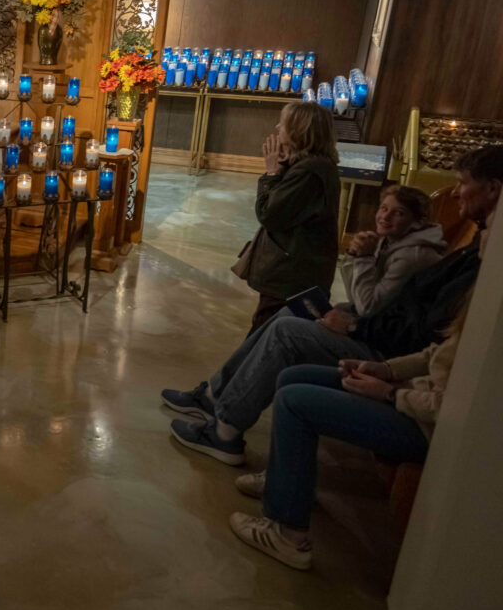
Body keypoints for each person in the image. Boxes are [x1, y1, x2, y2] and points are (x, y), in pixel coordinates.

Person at [162, 145, 503, 465]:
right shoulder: (468, 247)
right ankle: (215, 394)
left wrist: (357, 298)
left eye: (462, 183)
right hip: (384, 338)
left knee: (286, 332)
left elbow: (388, 313)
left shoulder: (426, 255)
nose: (456, 192)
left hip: (385, 349)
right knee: (291, 311)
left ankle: (224, 432)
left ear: (493, 190)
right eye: (383, 210)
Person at [228, 291, 471, 570]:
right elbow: (433, 355)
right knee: (293, 377)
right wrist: (384, 369)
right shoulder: (482, 287)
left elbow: (453, 408)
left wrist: (390, 393)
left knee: (294, 403)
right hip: (409, 397)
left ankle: (287, 535)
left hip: (425, 427)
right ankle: (287, 485)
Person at [239, 101, 340, 333]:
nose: (277, 127)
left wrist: (272, 173)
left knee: (264, 340)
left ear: (299, 131)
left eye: (283, 124)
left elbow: (270, 214)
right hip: (299, 276)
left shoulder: (309, 172)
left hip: (291, 279)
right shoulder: (312, 165)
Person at [339, 184, 445, 315]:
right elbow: (355, 298)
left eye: (399, 213)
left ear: (418, 222)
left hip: (394, 329)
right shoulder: (388, 240)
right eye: (384, 208)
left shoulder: (412, 256)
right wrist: (354, 254)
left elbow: (368, 309)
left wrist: (364, 258)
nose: (385, 217)